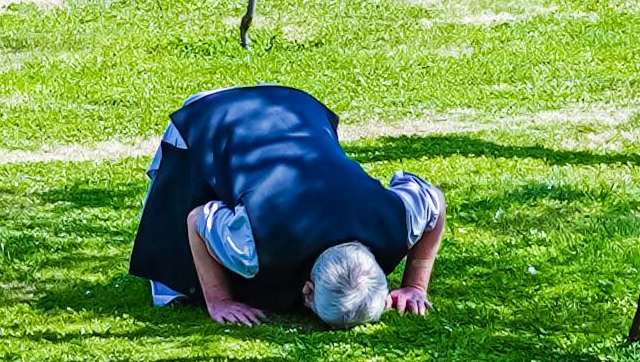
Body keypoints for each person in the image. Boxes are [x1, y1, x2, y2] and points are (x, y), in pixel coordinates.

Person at [128, 82, 446, 328]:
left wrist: (416, 286)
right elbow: (197, 219)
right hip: (212, 115)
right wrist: (219, 301)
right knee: (179, 282)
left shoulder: (396, 222)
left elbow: (435, 201)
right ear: (307, 292)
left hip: (297, 107)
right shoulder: (253, 241)